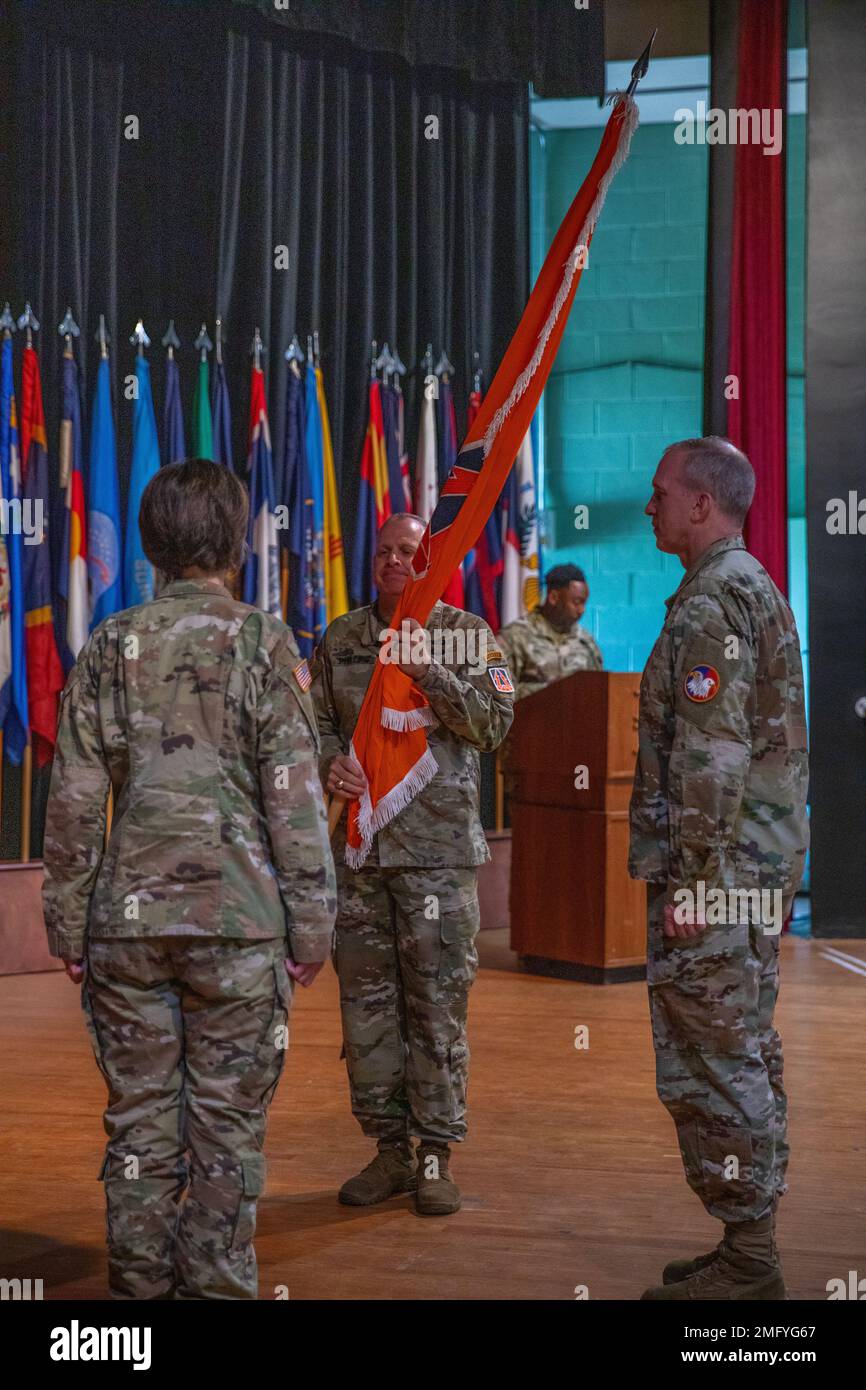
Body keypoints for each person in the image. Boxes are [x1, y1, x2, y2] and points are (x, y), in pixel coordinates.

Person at [42, 458, 337, 1300]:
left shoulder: (108, 644)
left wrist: (67, 922)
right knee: (227, 1128)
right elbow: (296, 797)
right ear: (236, 543)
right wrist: (313, 925)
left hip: (126, 930)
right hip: (239, 929)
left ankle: (135, 1300)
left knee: (139, 1121)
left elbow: (72, 801)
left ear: (148, 543)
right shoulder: (265, 643)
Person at [628, 437, 809, 1301]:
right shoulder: (753, 586)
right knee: (741, 1047)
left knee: (712, 1057)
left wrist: (695, 878)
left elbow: (712, 756)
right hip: (750, 868)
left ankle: (749, 1258)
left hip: (718, 873)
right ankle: (748, 1240)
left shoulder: (713, 602)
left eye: (661, 493)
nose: (650, 504)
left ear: (702, 504)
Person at [311, 513, 513, 1215]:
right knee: (367, 1011)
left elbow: (495, 723)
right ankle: (389, 1150)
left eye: (409, 551)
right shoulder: (340, 638)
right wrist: (325, 761)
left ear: (432, 562)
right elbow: (318, 726)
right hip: (361, 855)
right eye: (385, 549)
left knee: (436, 1010)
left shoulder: (472, 636)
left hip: (437, 857)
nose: (394, 560)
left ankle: (435, 1154)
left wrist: (426, 667)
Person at [497, 563, 602, 702]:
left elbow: (598, 693)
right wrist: (548, 693)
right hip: (529, 721)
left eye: (584, 603)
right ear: (553, 597)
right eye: (577, 602)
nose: (582, 610)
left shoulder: (586, 642)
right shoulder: (515, 637)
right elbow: (499, 695)